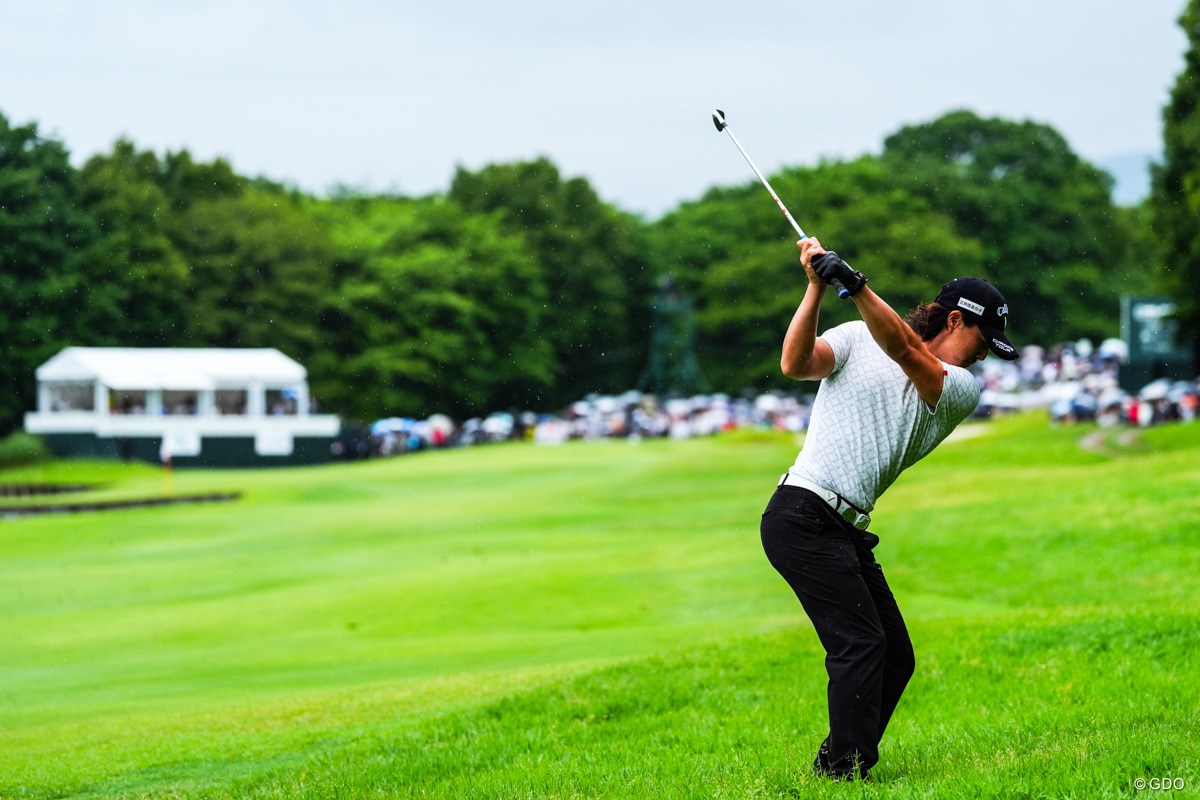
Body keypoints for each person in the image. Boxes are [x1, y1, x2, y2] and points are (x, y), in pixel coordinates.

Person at [759, 238, 1018, 782]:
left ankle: (838, 763)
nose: (985, 353)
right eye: (982, 339)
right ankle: (843, 774)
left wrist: (853, 284)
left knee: (894, 656)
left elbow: (906, 352)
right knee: (860, 643)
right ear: (954, 319)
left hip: (843, 528)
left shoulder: (960, 388)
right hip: (802, 513)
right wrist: (815, 288)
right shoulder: (856, 335)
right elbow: (794, 363)